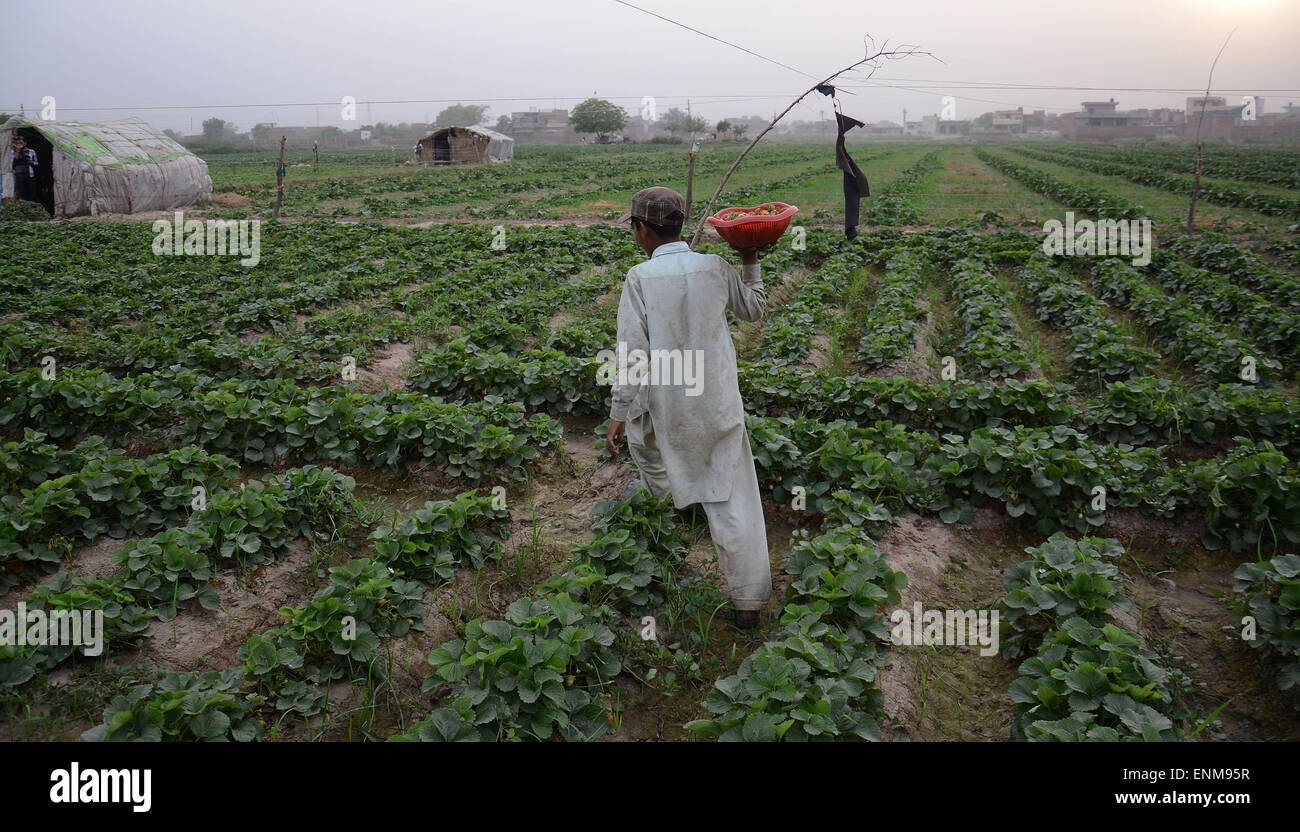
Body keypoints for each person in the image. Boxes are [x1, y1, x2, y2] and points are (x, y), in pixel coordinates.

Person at [605, 186, 772, 628]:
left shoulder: (639, 278)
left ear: (642, 229)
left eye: (635, 228)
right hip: (717, 404)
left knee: (653, 464)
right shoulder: (716, 267)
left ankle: (663, 555)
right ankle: (748, 605)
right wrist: (750, 259)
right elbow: (755, 309)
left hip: (668, 409)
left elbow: (633, 355)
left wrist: (619, 412)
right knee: (731, 499)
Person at [10, 135, 38, 205]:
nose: (19, 144)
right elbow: (13, 163)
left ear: (25, 143)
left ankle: (31, 208)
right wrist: (17, 151)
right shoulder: (13, 152)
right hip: (19, 176)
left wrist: (31, 162)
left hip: (30, 175)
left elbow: (37, 163)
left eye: (21, 143)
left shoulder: (31, 151)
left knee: (31, 193)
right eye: (17, 143)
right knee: (21, 194)